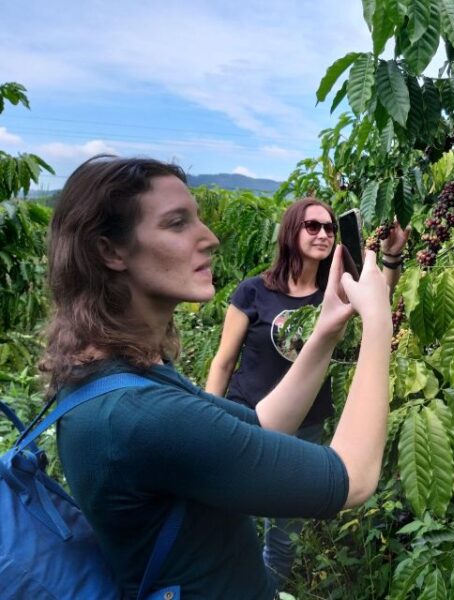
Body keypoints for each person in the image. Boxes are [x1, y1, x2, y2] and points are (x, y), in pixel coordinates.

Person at [41, 155, 393, 599]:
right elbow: (352, 477)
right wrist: (378, 325)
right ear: (109, 250)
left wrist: (326, 330)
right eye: (176, 223)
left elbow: (261, 424)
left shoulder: (123, 378)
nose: (209, 238)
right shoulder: (139, 415)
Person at [205, 198, 408, 589]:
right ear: (291, 231)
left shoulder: (332, 292)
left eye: (330, 227)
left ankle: (268, 591)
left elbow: (375, 302)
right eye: (312, 226)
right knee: (232, 520)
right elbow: (223, 361)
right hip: (248, 420)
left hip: (307, 425)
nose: (323, 234)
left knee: (284, 534)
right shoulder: (252, 292)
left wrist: (391, 258)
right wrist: (208, 420)